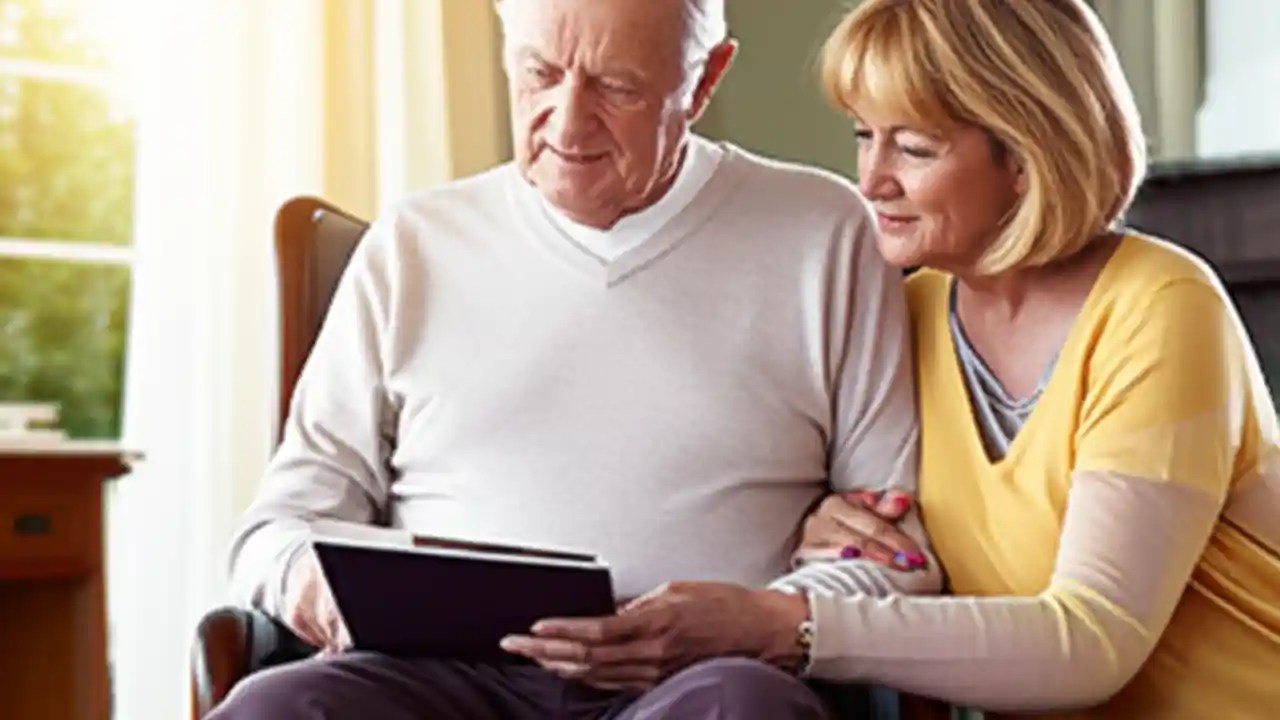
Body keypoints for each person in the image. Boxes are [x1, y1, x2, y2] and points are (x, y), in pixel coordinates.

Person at [210, 0, 941, 718]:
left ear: (704, 80)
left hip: (701, 681)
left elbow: (891, 556)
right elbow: (275, 529)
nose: (566, 122)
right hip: (434, 679)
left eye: (617, 88)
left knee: (744, 707)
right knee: (275, 706)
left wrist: (763, 613)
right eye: (539, 73)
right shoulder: (412, 245)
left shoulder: (827, 234)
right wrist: (310, 580)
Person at [768, 0, 1279, 717]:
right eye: (864, 137)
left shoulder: (1160, 303)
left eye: (913, 148)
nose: (872, 181)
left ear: (1026, 154)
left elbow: (1094, 640)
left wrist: (789, 626)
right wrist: (836, 534)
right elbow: (917, 598)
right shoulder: (901, 318)